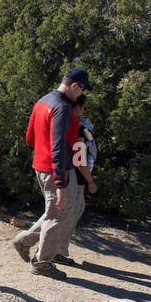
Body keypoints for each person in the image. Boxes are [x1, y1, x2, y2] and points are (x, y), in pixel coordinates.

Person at [11, 68, 90, 279]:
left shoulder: (43, 100)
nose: (81, 95)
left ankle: (25, 240)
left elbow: (30, 137)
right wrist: (61, 183)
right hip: (58, 169)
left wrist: (43, 154)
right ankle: (42, 262)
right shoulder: (63, 107)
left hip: (43, 165)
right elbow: (58, 148)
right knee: (59, 216)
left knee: (55, 213)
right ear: (74, 85)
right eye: (82, 89)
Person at [55, 96, 99, 266]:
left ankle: (53, 249)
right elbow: (81, 159)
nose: (84, 111)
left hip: (66, 175)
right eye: (84, 108)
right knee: (71, 214)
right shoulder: (79, 128)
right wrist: (90, 181)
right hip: (76, 178)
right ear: (78, 107)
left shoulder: (65, 124)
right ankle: (56, 251)